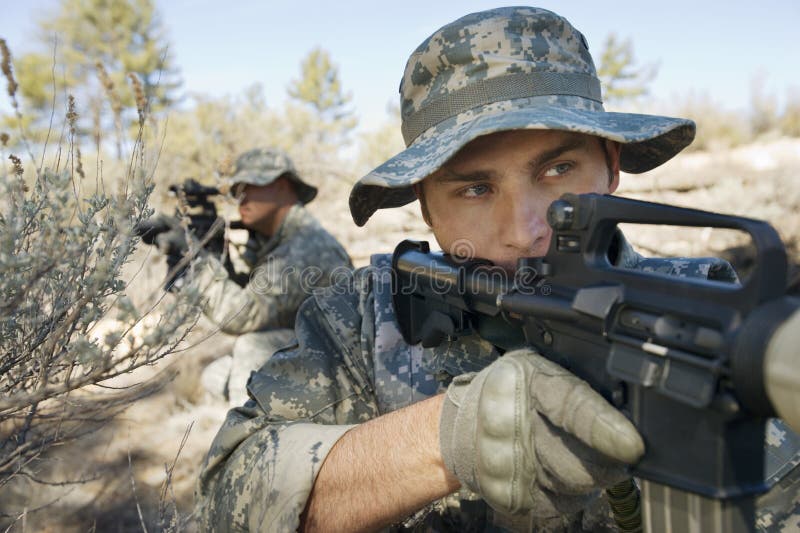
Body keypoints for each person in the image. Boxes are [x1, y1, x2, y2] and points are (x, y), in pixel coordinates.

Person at [195, 7, 800, 531]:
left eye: (557, 170)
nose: (524, 230)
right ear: (426, 205)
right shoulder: (359, 323)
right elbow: (227, 503)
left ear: (610, 166)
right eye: (476, 189)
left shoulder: (711, 312)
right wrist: (444, 441)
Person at [187, 147, 353, 405]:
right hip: (318, 364)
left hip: (344, 376)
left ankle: (252, 441)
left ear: (281, 185)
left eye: (248, 187)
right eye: (236, 192)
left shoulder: (305, 247)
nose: (240, 198)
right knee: (216, 375)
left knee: (251, 347)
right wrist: (215, 254)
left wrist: (195, 262)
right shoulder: (280, 242)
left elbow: (242, 316)